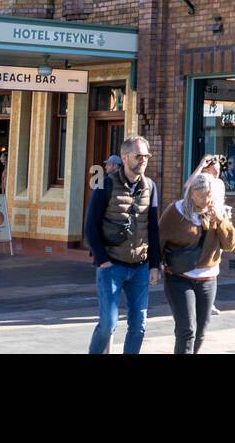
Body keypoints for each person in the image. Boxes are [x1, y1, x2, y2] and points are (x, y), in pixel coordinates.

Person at [84, 136, 161, 354]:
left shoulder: (151, 187)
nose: (143, 160)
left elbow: (153, 229)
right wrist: (102, 260)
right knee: (108, 324)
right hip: (112, 266)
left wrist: (155, 264)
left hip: (140, 267)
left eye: (146, 156)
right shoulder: (105, 184)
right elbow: (90, 226)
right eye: (139, 156)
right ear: (125, 157)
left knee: (139, 326)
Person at [160, 171, 235, 354]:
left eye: (209, 196)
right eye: (202, 195)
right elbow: (159, 239)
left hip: (207, 279)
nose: (206, 200)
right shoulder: (176, 211)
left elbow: (230, 245)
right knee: (187, 330)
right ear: (192, 193)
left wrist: (220, 221)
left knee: (201, 333)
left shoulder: (217, 212)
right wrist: (154, 266)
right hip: (179, 277)